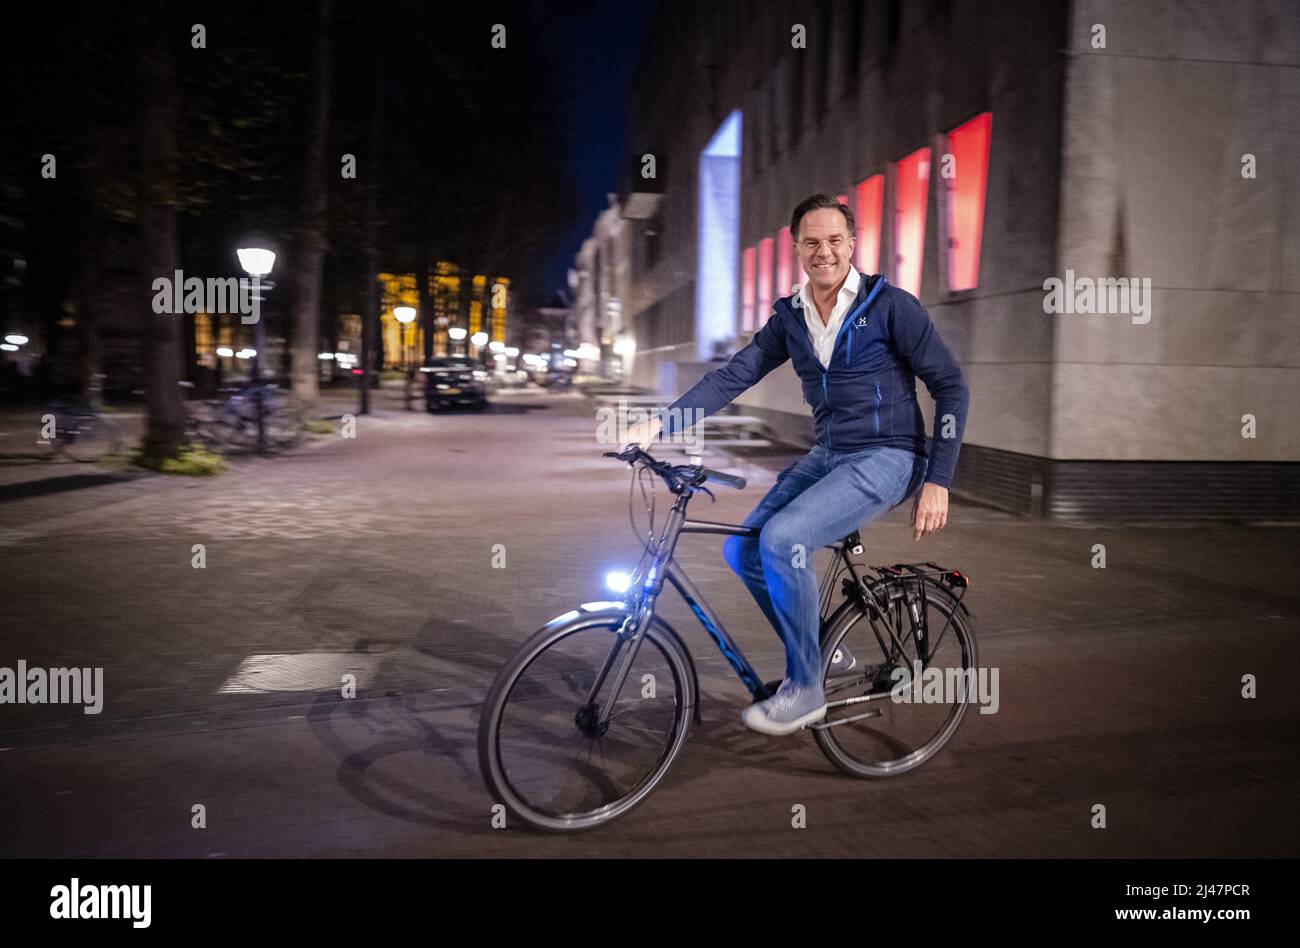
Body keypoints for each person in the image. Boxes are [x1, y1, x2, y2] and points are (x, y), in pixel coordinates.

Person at [622, 193, 970, 736]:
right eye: (812, 242)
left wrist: (939, 480)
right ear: (796, 248)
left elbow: (950, 386)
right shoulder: (791, 317)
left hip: (890, 455)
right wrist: (659, 425)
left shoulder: (890, 306)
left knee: (783, 540)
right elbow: (733, 376)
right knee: (743, 548)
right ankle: (825, 655)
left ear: (852, 245)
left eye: (834, 240)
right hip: (829, 455)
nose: (824, 251)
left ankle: (805, 689)